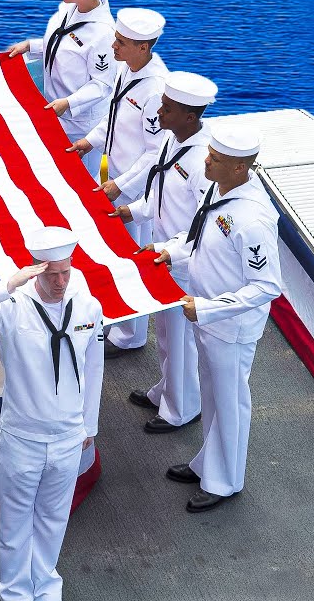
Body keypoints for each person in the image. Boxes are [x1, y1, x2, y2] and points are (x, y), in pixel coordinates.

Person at [0, 227, 105, 601]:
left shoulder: (88, 307)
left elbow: (95, 365)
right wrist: (8, 284)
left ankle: (46, 586)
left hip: (69, 436)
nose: (60, 282)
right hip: (23, 438)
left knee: (54, 519)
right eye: (51, 274)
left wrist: (90, 424)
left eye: (66, 273)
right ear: (36, 271)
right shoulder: (12, 308)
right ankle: (16, 592)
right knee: (16, 522)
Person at [152, 126, 281, 513]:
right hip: (206, 317)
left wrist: (208, 308)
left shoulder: (253, 220)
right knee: (211, 395)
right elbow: (197, 237)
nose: (205, 161)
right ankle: (208, 464)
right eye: (209, 154)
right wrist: (169, 252)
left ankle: (225, 482)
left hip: (229, 326)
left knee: (228, 402)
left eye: (215, 159)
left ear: (240, 168)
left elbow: (267, 286)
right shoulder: (218, 188)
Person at [112, 71, 217, 433]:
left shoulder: (204, 162)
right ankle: (167, 390)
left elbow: (202, 223)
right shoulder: (172, 140)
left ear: (190, 116)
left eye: (167, 108)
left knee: (181, 338)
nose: (159, 111)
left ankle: (181, 408)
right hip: (164, 251)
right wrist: (133, 210)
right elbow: (160, 191)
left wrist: (171, 251)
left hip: (182, 260)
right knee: (167, 334)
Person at [68, 7, 169, 356]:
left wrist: (121, 184)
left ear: (143, 47)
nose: (113, 46)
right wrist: (90, 141)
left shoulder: (155, 90)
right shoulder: (128, 70)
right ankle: (125, 321)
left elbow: (155, 151)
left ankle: (131, 333)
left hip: (134, 187)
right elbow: (113, 117)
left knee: (133, 256)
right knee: (122, 252)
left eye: (122, 42)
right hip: (118, 178)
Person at [7, 0, 117, 179]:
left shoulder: (103, 33)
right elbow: (61, 42)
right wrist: (30, 46)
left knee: (81, 178)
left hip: (79, 122)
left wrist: (69, 102)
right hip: (55, 112)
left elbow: (102, 84)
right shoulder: (68, 9)